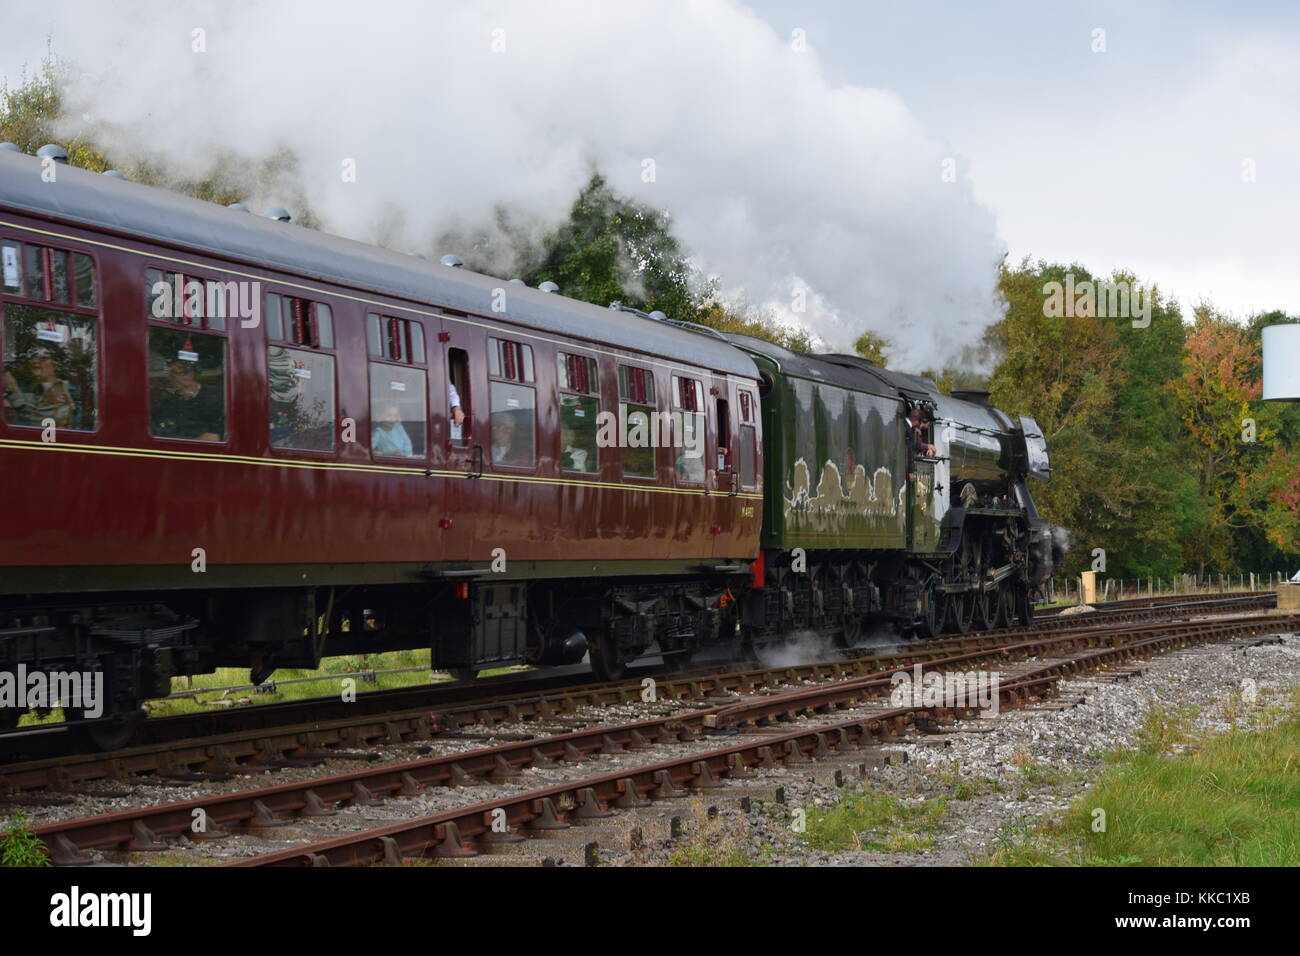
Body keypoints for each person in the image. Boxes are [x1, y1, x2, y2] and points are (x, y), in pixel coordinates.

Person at [4, 348, 79, 428]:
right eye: (33, 357)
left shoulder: (69, 390)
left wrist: (15, 391)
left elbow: (40, 423)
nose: (36, 361)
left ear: (55, 364)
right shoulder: (25, 387)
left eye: (43, 358)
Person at [152, 359, 224, 441]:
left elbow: (214, 437)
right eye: (169, 374)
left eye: (174, 374)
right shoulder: (169, 402)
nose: (169, 378)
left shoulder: (215, 396)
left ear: (190, 375)